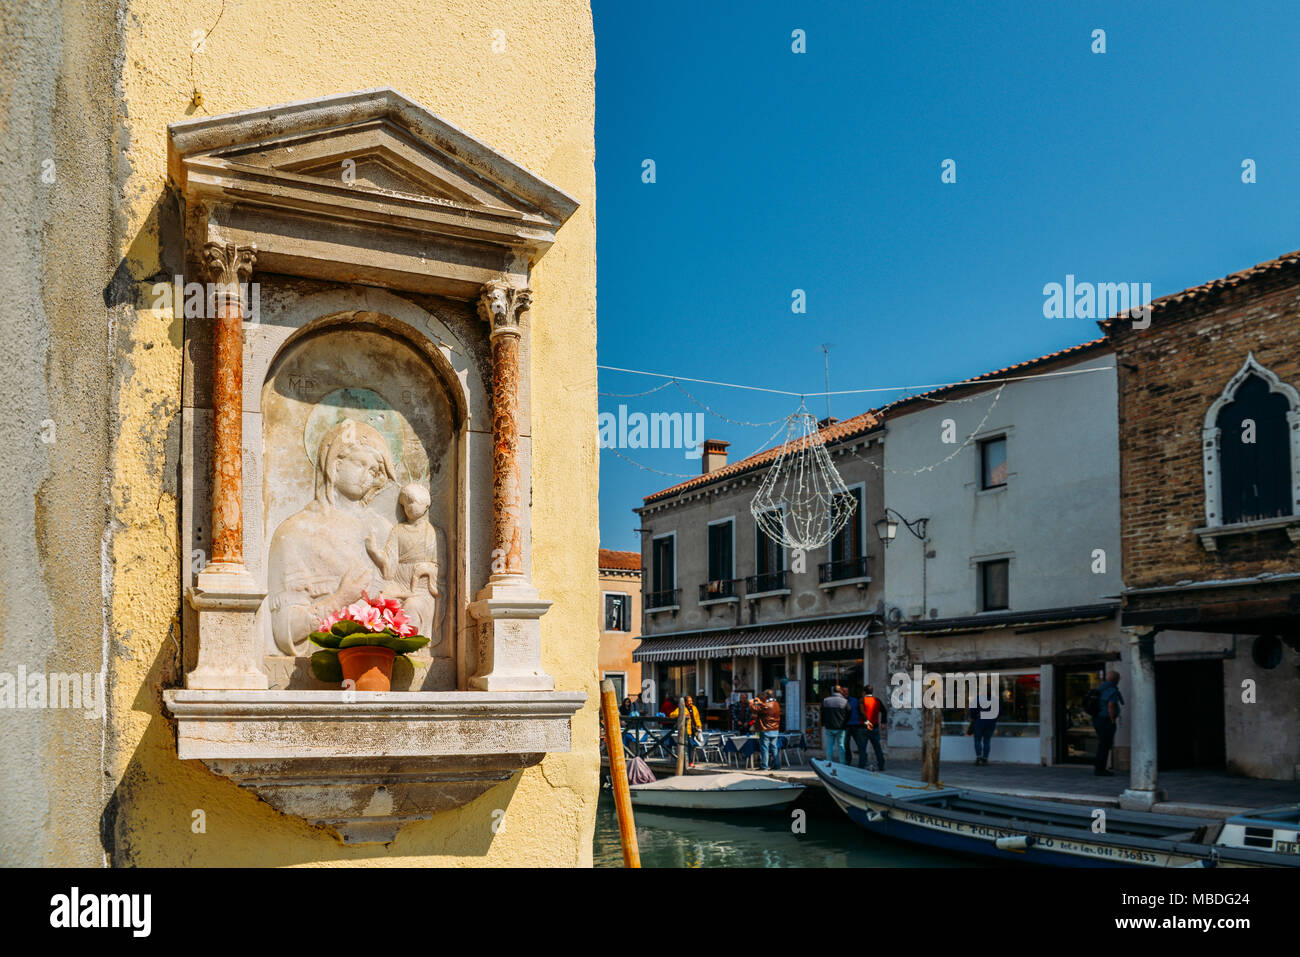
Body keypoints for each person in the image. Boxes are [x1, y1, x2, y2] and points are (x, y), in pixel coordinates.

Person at [1093, 671, 1124, 776]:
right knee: (1105, 745)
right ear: (1116, 680)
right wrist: (1112, 720)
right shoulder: (1112, 690)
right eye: (1118, 679)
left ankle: (1099, 767)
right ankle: (1100, 769)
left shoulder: (1100, 688)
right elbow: (1111, 705)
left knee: (1102, 744)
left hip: (1097, 719)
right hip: (1106, 720)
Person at [752, 689, 782, 770]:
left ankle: (764, 766)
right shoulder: (777, 704)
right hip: (775, 729)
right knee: (774, 748)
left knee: (765, 748)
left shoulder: (766, 705)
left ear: (766, 696)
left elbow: (755, 709)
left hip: (766, 729)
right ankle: (777, 765)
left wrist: (755, 701)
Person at [669, 695, 703, 768]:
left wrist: (699, 726)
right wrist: (682, 714)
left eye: (691, 701)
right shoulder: (681, 708)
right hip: (686, 731)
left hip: (694, 730)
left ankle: (688, 761)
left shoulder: (694, 708)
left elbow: (697, 718)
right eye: (689, 701)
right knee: (689, 745)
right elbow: (671, 715)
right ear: (685, 702)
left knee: (691, 746)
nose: (691, 702)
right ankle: (688, 762)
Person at [820, 685, 851, 764]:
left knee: (830, 745)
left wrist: (824, 723)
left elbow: (822, 713)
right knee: (841, 746)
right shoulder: (844, 701)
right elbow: (849, 712)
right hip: (841, 727)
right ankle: (842, 763)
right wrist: (845, 722)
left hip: (829, 727)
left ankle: (829, 762)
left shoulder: (825, 701)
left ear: (832, 691)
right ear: (840, 691)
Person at [966, 691, 998, 766]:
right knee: (987, 741)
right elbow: (999, 712)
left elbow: (972, 712)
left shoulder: (977, 699)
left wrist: (974, 717)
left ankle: (978, 757)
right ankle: (985, 758)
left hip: (979, 722)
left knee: (977, 740)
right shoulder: (994, 700)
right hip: (990, 722)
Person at [860, 684, 886, 771]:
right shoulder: (877, 700)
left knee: (862, 748)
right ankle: (881, 764)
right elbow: (884, 711)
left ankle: (861, 765)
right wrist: (883, 722)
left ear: (864, 692)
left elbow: (862, 712)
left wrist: (866, 722)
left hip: (864, 727)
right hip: (875, 727)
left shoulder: (862, 700)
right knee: (877, 748)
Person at [845, 688, 863, 766]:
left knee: (859, 743)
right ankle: (848, 760)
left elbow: (860, 711)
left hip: (856, 724)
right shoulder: (841, 701)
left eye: (847, 691)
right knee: (846, 744)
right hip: (846, 725)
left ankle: (863, 760)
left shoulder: (855, 700)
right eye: (844, 691)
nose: (845, 692)